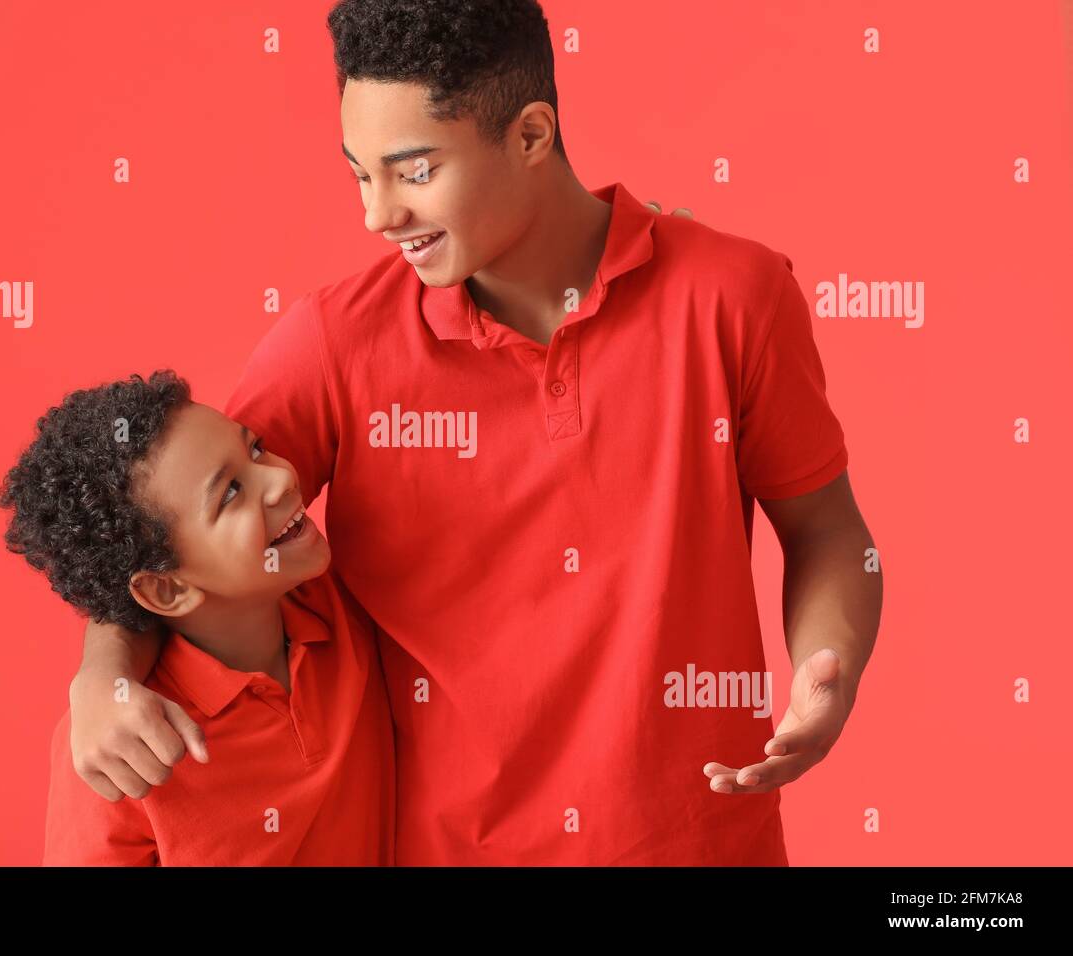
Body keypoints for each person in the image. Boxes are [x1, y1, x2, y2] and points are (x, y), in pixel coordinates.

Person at [64, 0, 882, 865]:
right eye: (361, 175)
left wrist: (829, 669)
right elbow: (172, 539)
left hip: (704, 844)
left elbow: (827, 529)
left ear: (530, 134)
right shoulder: (334, 345)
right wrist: (102, 671)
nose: (379, 214)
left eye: (413, 171)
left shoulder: (735, 296)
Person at [0, 371, 394, 865]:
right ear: (167, 589)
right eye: (230, 493)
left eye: (256, 449)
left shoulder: (339, 601)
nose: (281, 478)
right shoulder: (121, 746)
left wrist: (101, 672)